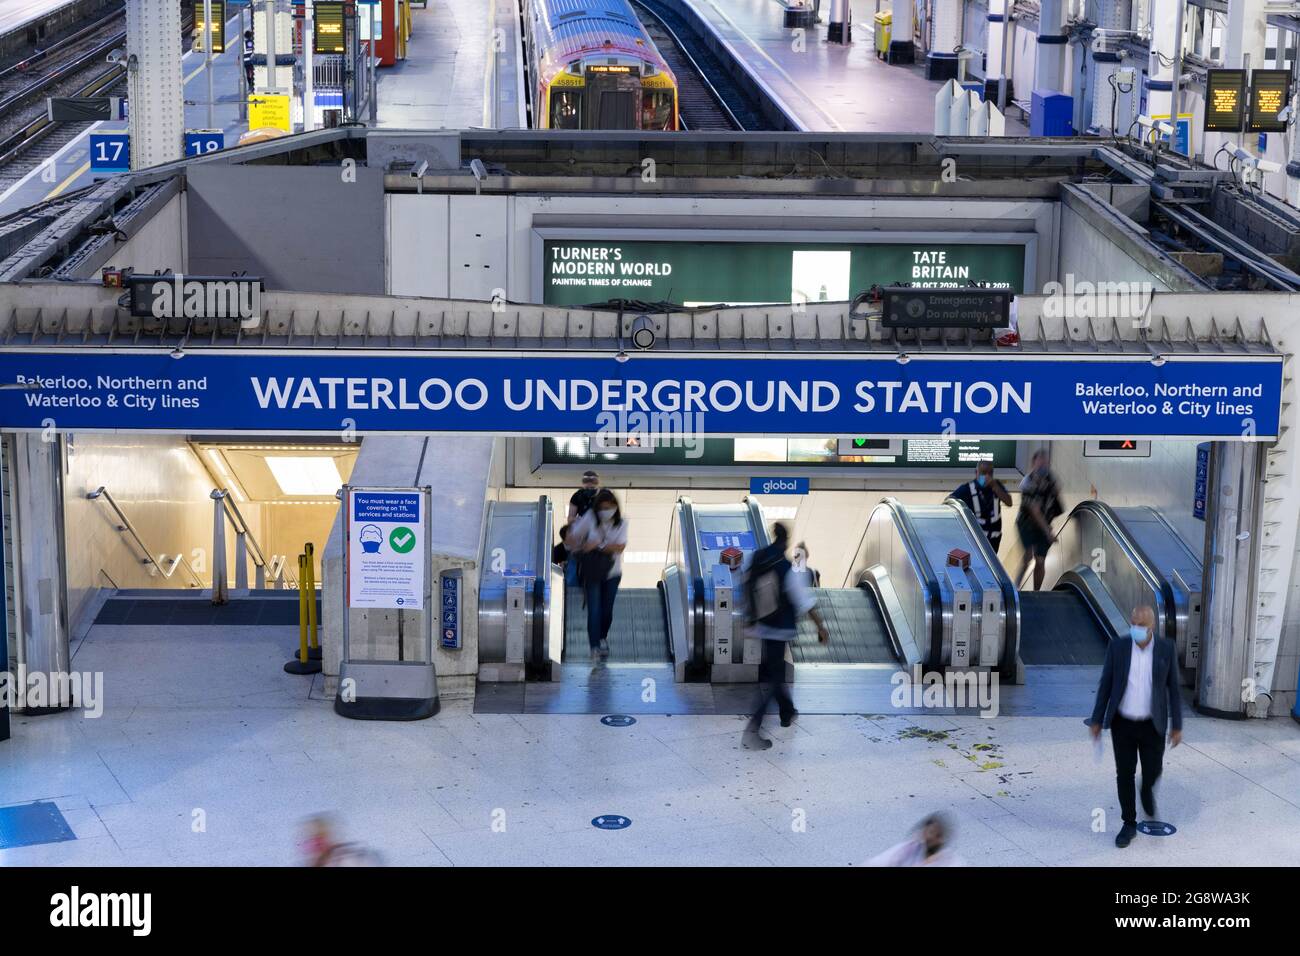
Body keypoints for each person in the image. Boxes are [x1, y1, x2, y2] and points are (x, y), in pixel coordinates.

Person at [1088, 605, 1183, 849]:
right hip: (1123, 724)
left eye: (1141, 625)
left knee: (1153, 770)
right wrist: (1098, 719)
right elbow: (1106, 684)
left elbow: (1174, 689)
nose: (1136, 629)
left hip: (1153, 724)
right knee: (1125, 774)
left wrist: (1177, 725)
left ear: (1152, 627)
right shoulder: (1117, 647)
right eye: (1133, 623)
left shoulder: (1166, 648)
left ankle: (1147, 790)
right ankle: (1128, 824)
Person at [742, 521, 829, 750]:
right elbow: (803, 602)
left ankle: (787, 710)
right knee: (773, 679)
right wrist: (820, 627)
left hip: (762, 626)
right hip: (780, 629)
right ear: (786, 540)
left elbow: (747, 583)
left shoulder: (759, 557)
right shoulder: (785, 567)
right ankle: (753, 730)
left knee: (775, 672)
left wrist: (750, 617)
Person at [566, 488, 627, 662]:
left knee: (607, 610)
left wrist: (598, 545)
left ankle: (602, 637)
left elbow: (620, 547)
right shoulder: (590, 518)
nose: (606, 511)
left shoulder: (622, 523)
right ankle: (594, 647)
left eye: (609, 507)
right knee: (594, 609)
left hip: (613, 573)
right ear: (596, 508)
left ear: (615, 507)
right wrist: (582, 545)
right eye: (602, 508)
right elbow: (572, 538)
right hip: (592, 572)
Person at [1016, 449, 1064, 590]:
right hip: (1027, 523)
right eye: (1040, 463)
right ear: (1033, 464)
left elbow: (1056, 493)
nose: (1043, 466)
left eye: (1046, 463)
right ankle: (1016, 586)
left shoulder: (1050, 478)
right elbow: (1035, 511)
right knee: (1029, 556)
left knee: (1041, 560)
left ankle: (1037, 591)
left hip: (1044, 523)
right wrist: (1048, 532)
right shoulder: (1027, 483)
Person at [950, 460, 1012, 553]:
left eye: (990, 473)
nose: (987, 476)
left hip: (994, 539)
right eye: (983, 473)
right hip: (976, 538)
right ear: (976, 473)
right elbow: (950, 501)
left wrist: (995, 487)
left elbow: (1009, 502)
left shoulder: (996, 485)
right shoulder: (967, 488)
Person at [866, 814, 964, 866]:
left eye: (938, 835)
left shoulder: (950, 862)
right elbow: (877, 862)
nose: (932, 838)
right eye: (930, 832)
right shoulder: (909, 849)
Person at [565, 470, 600, 586]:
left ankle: (595, 585)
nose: (590, 484)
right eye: (587, 481)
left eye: (592, 481)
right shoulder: (577, 496)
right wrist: (580, 522)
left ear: (597, 482)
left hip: (596, 537)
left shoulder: (602, 496)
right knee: (574, 559)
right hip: (580, 535)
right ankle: (572, 586)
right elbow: (570, 517)